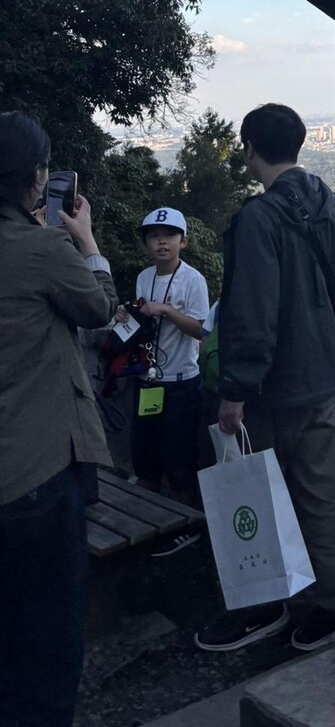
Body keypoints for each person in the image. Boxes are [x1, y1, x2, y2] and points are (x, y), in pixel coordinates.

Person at [195, 103, 335, 654]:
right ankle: (334, 603)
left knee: (260, 496)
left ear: (249, 148)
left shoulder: (260, 219)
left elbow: (252, 311)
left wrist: (234, 390)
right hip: (324, 376)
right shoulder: (326, 203)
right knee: (318, 494)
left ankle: (267, 603)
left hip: (273, 386)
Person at [0, 112, 118, 727]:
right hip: (36, 472)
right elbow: (99, 307)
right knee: (44, 636)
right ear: (36, 179)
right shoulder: (43, 248)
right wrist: (87, 241)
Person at [123, 207, 209, 555]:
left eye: (170, 235)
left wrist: (167, 311)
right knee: (145, 455)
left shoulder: (193, 280)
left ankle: (189, 527)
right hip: (148, 380)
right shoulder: (145, 277)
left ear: (183, 242)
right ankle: (148, 524)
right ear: (146, 244)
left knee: (180, 458)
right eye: (154, 236)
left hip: (181, 382)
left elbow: (201, 330)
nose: (162, 242)